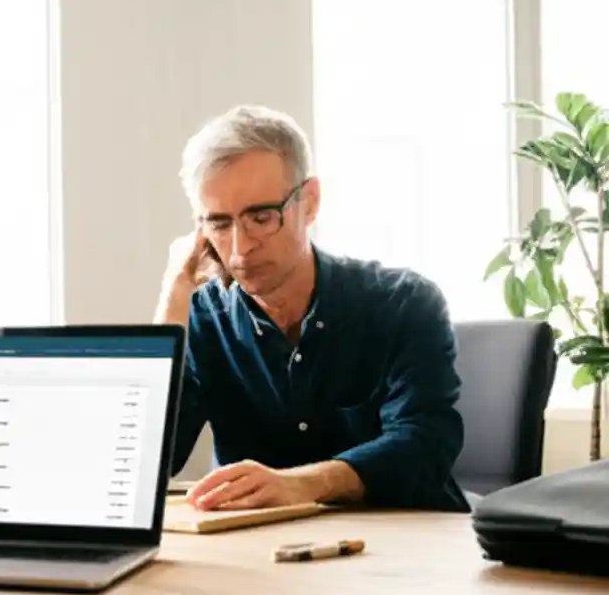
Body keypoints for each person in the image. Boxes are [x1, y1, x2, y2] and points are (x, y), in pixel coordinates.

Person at [155, 105, 469, 513]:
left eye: (261, 218)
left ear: (311, 201)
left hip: (403, 537)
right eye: (219, 224)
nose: (240, 249)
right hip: (260, 546)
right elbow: (149, 462)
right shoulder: (203, 316)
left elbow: (425, 444)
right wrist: (172, 300)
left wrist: (303, 484)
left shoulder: (403, 302)